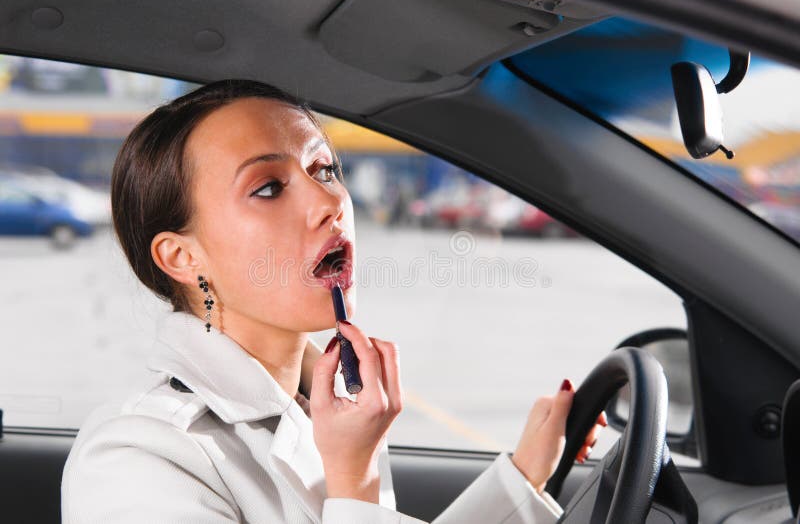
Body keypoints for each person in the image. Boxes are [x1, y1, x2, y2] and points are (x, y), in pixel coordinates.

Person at [60, 79, 606, 523]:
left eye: (324, 170)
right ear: (182, 257)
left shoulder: (318, 407)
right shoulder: (138, 457)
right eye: (268, 187)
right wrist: (354, 479)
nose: (330, 201)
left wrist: (527, 474)